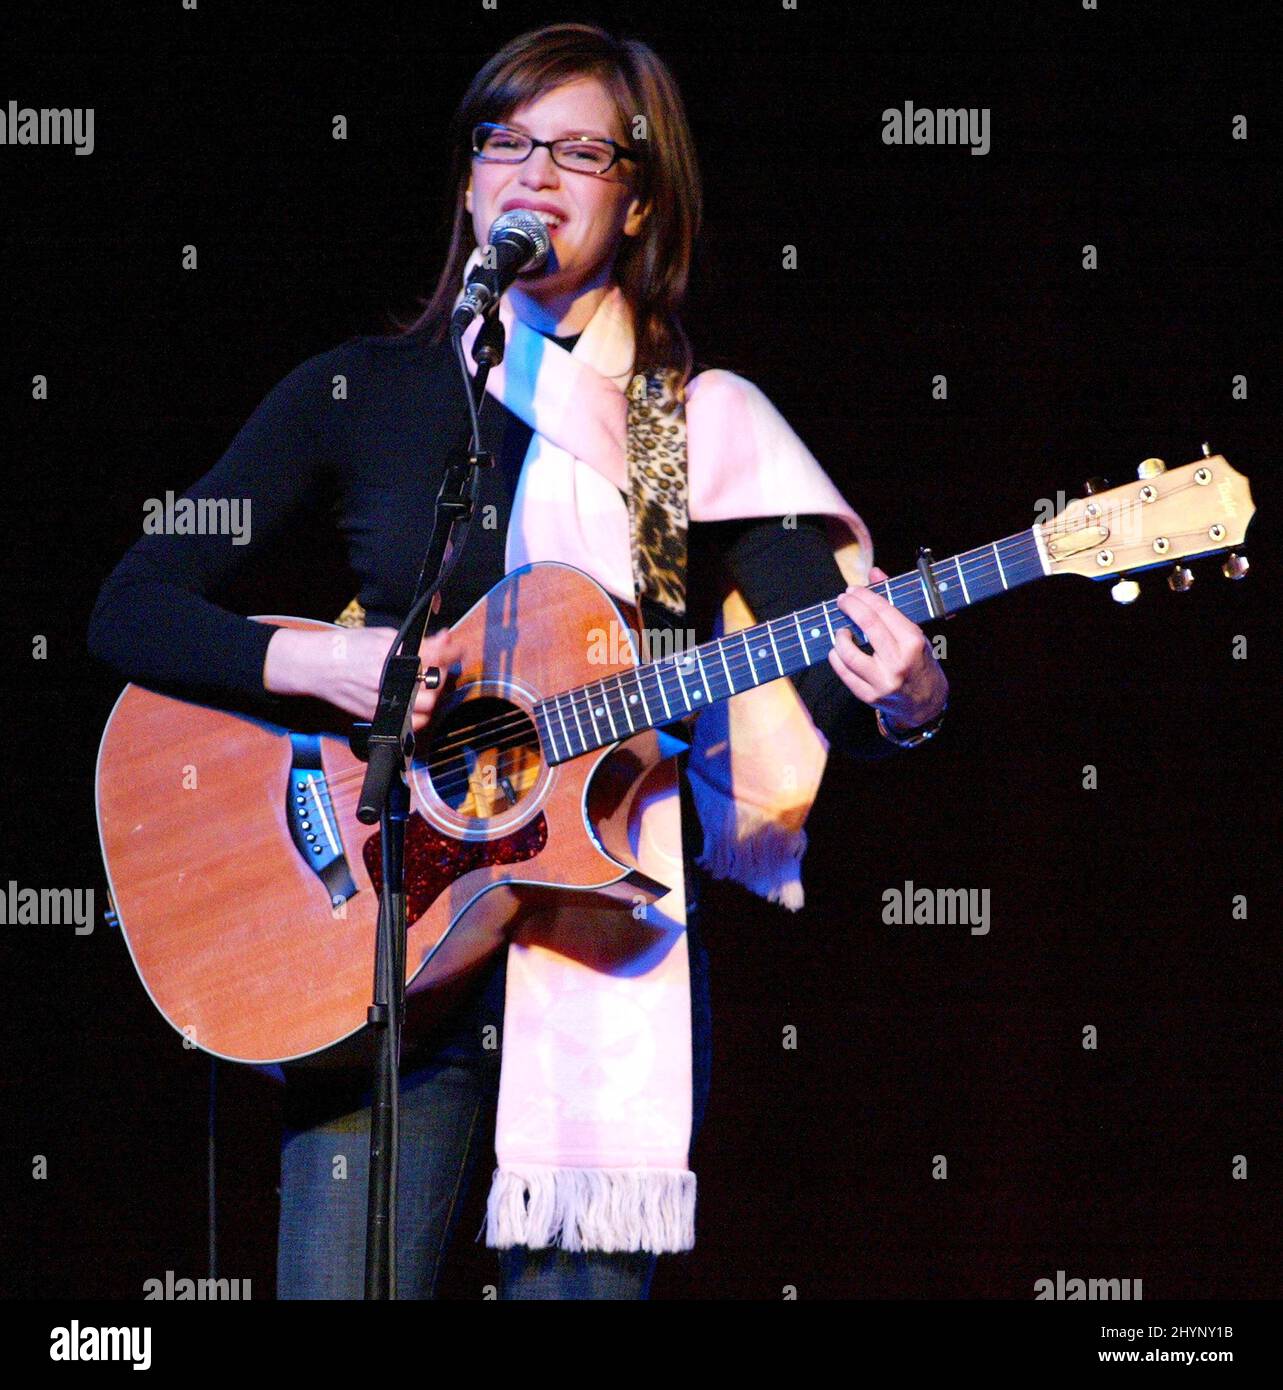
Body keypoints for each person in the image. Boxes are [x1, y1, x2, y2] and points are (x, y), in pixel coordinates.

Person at [87, 22, 948, 1300]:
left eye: (579, 149)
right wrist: (325, 667)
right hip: (375, 949)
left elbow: (830, 680)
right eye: (504, 139)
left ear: (641, 194)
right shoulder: (364, 393)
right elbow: (132, 609)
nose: (532, 172)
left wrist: (909, 697)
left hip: (604, 959)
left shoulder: (685, 431)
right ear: (467, 178)